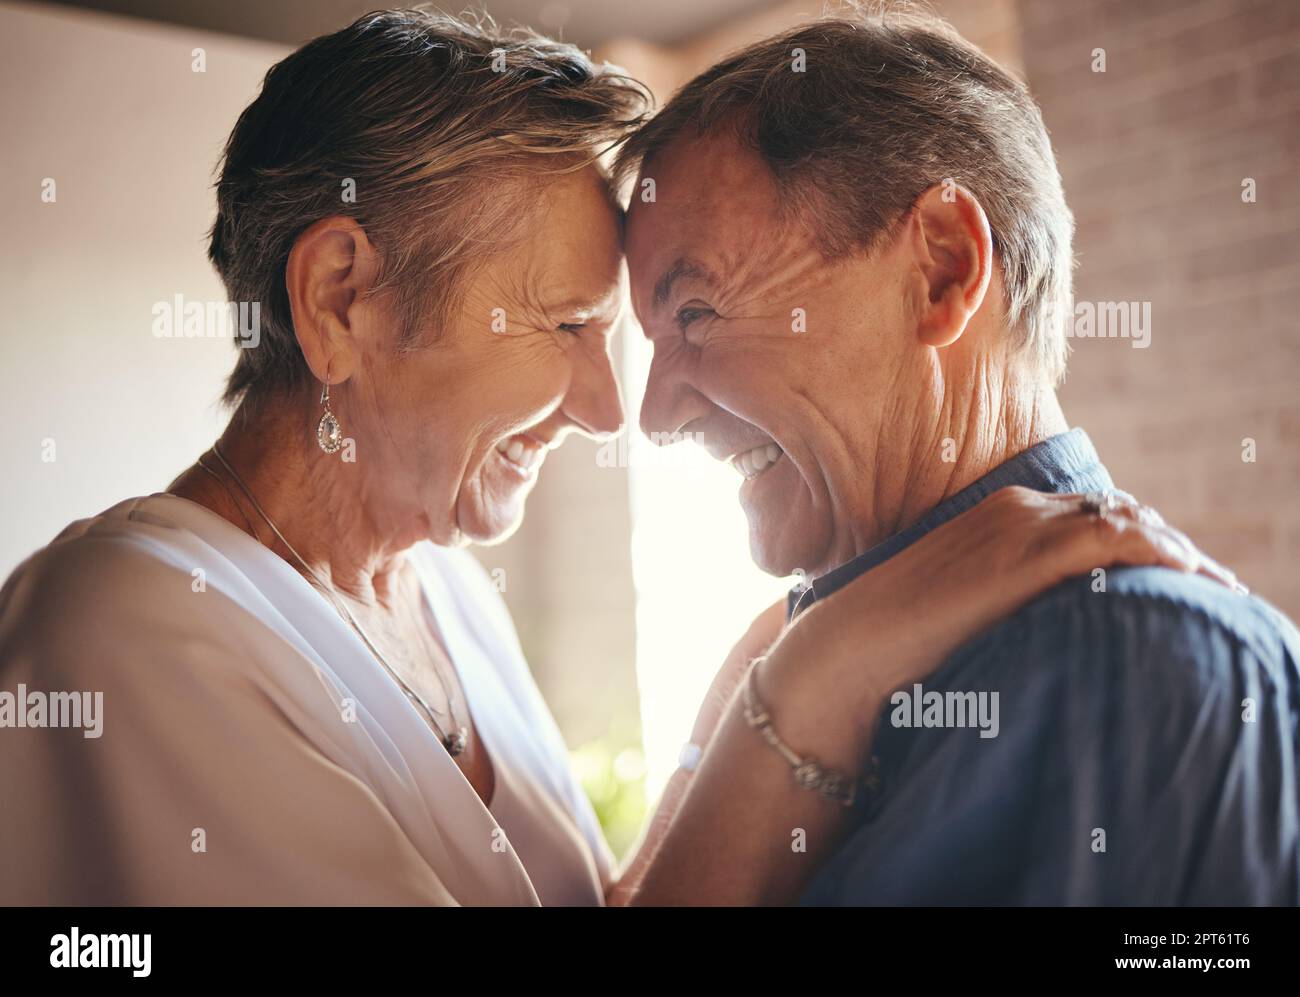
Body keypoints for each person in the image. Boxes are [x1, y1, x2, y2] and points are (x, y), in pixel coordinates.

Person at [0, 10, 1246, 907]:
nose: (617, 411)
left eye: (669, 318)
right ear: (340, 300)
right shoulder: (119, 631)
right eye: (567, 325)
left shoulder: (437, 595)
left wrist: (769, 664)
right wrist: (804, 681)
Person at [616, 13, 1300, 903]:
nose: (653, 414)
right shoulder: (794, 661)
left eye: (697, 314)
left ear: (941, 269)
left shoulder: (1118, 666)